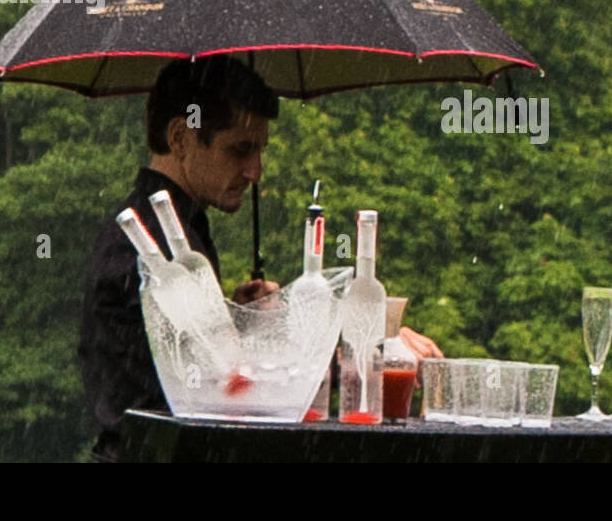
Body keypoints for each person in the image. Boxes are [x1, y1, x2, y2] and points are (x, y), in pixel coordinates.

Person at [79, 55, 442, 462]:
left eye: (259, 151)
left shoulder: (177, 230)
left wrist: (245, 322)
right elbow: (219, 381)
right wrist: (363, 351)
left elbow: (205, 358)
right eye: (240, 149)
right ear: (181, 138)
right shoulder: (152, 244)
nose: (256, 171)